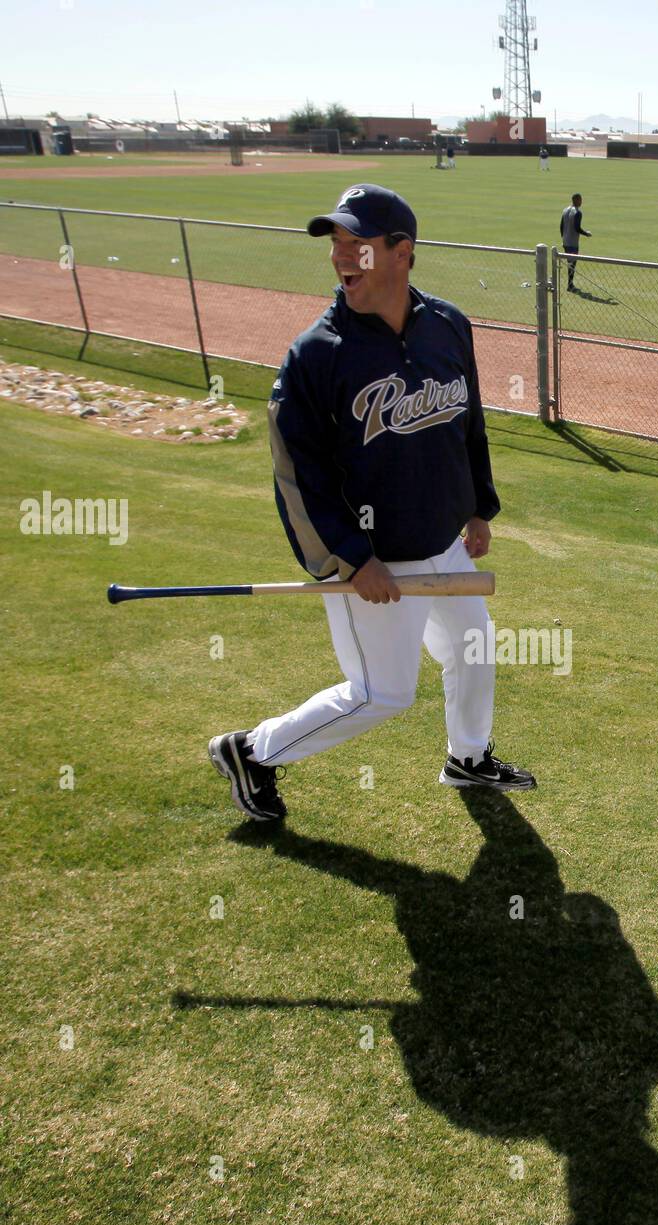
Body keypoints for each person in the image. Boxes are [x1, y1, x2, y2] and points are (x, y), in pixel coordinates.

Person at [208, 184, 536, 821]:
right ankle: (252, 751)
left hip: (443, 541)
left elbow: (466, 425)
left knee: (474, 649)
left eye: (355, 244)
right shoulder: (316, 355)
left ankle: (468, 758)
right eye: (336, 244)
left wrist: (478, 508)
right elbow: (297, 475)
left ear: (401, 252)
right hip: (376, 558)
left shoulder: (448, 326)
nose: (340, 257)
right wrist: (353, 559)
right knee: (380, 695)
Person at [560, 193, 592, 290]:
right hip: (573, 243)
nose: (581, 202)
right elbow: (577, 228)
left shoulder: (565, 210)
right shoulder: (578, 212)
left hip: (565, 241)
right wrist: (586, 233)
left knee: (570, 263)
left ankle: (570, 284)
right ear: (577, 200)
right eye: (580, 200)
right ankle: (570, 285)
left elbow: (561, 226)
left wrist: (563, 237)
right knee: (572, 264)